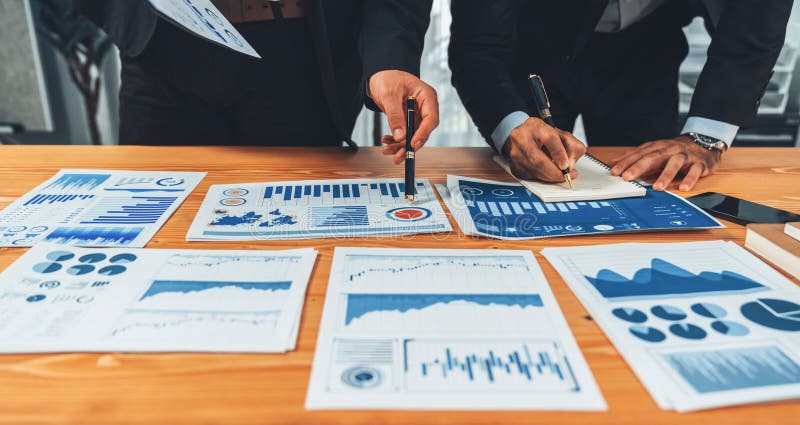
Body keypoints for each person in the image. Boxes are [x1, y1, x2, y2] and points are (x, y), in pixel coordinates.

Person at [447, 0, 792, 190]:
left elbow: (756, 18)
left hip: (648, 49)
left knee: (650, 182)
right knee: (532, 170)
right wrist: (510, 126)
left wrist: (707, 137)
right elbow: (477, 41)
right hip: (534, 40)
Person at [76, 0, 438, 162]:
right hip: (163, 46)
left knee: (302, 232)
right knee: (152, 224)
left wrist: (390, 61)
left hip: (299, 57)